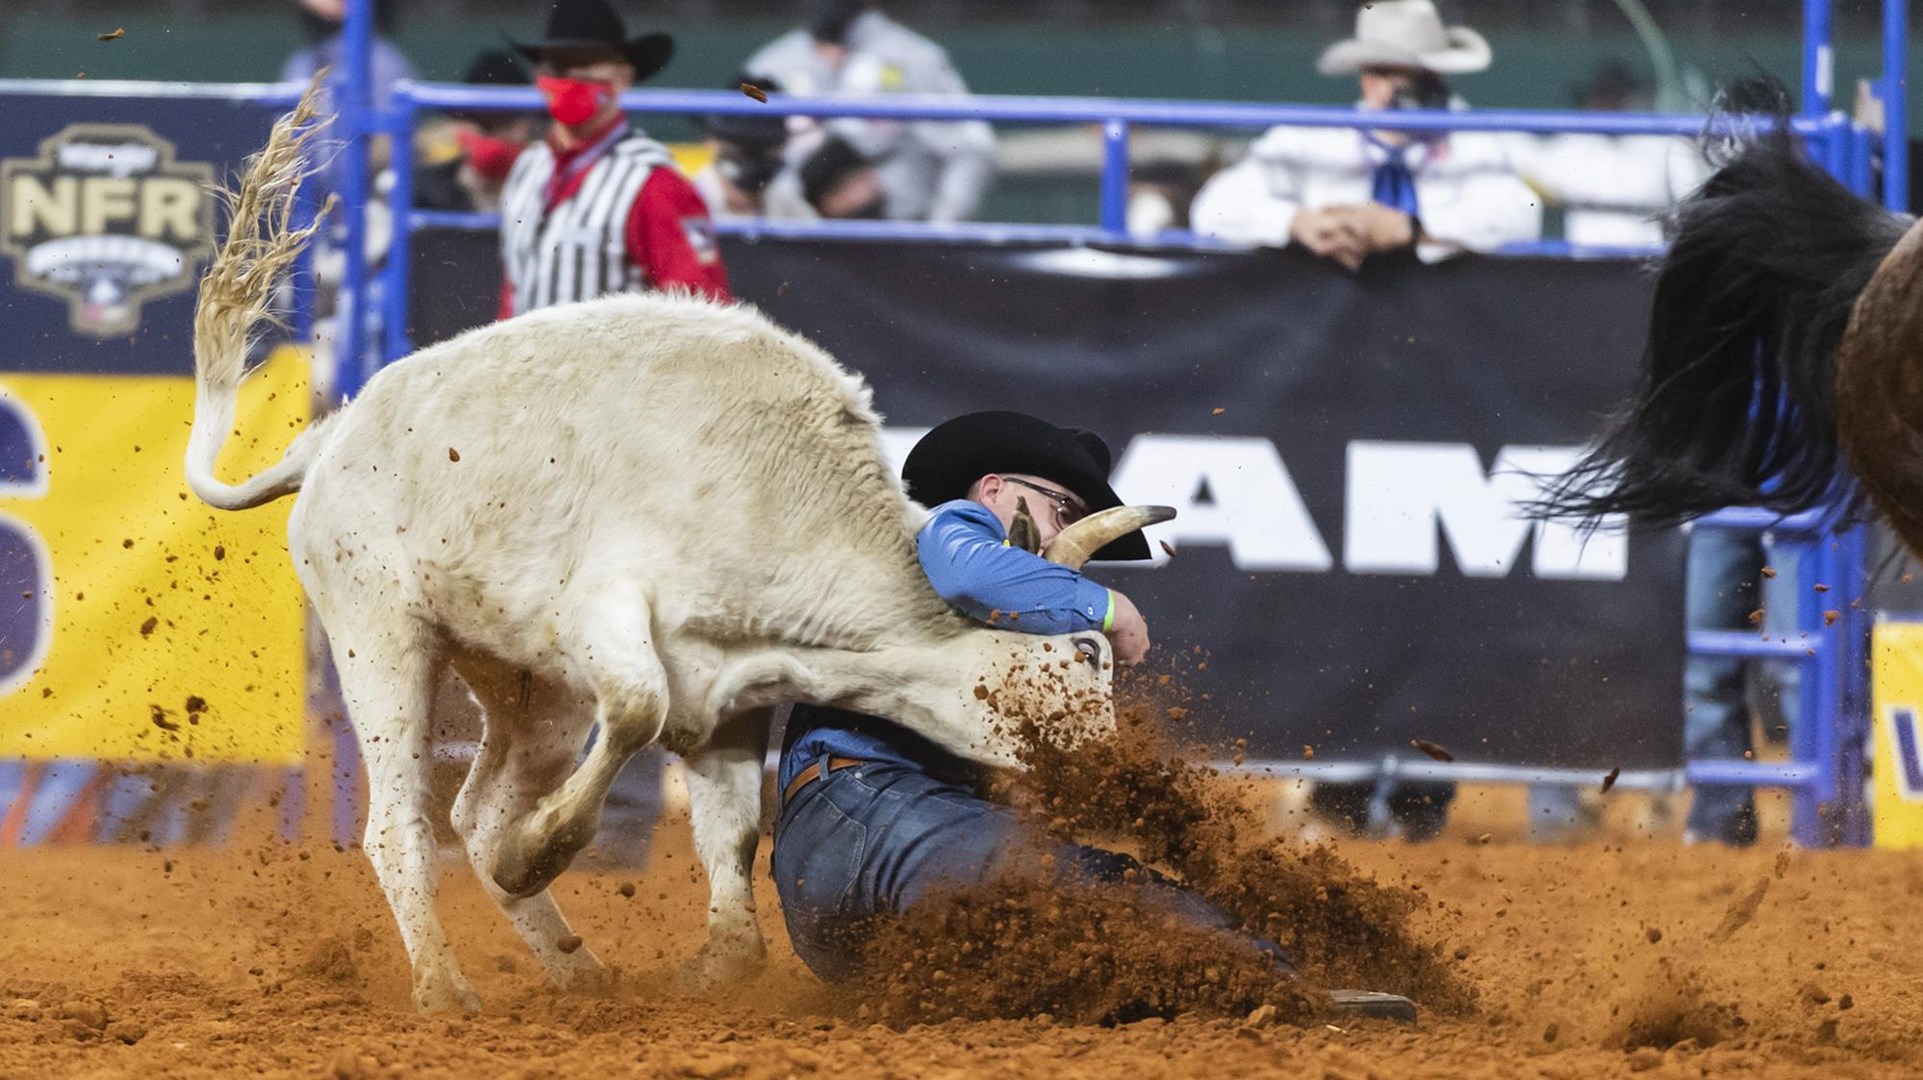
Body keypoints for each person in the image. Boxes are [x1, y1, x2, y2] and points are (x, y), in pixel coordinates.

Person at [770, 412, 1416, 1022]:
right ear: (993, 490)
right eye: (1060, 510)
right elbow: (968, 573)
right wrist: (1109, 608)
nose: (1060, 536)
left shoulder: (979, 621)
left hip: (848, 879)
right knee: (1112, 892)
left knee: (1077, 966)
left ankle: (1225, 988)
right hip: (872, 810)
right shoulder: (948, 526)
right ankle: (1278, 986)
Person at [1191, 0, 1540, 266]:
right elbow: (1212, 208)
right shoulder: (1314, 137)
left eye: (1434, 77)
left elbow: (1522, 213)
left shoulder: (1466, 133)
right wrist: (1295, 222)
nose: (1434, 91)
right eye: (1416, 79)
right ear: (1370, 80)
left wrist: (1416, 229)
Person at [498, 0, 729, 319]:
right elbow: (514, 291)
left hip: (615, 352)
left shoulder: (652, 181)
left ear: (622, 76)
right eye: (557, 65)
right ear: (539, 76)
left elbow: (703, 310)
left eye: (585, 63)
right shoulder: (528, 166)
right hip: (529, 350)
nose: (570, 76)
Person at [743, 0, 996, 224]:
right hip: (794, 233)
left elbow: (972, 148)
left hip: (895, 233)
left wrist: (941, 229)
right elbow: (736, 145)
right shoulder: (773, 64)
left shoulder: (913, 58)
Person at [1515, 61, 1709, 249]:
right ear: (1588, 99)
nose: (1610, 103)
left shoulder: (1661, 143)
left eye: (1619, 94)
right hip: (1586, 259)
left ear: (1635, 98)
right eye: (1602, 94)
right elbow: (1526, 166)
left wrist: (1694, 150)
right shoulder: (1572, 144)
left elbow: (1693, 195)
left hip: (1643, 257)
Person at [413, 49, 543, 214]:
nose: (494, 137)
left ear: (527, 122)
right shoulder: (436, 174)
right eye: (485, 125)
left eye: (504, 122)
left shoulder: (542, 168)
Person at [691, 77, 793, 220]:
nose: (753, 158)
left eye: (765, 146)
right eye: (740, 144)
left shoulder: (786, 205)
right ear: (713, 140)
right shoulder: (687, 200)